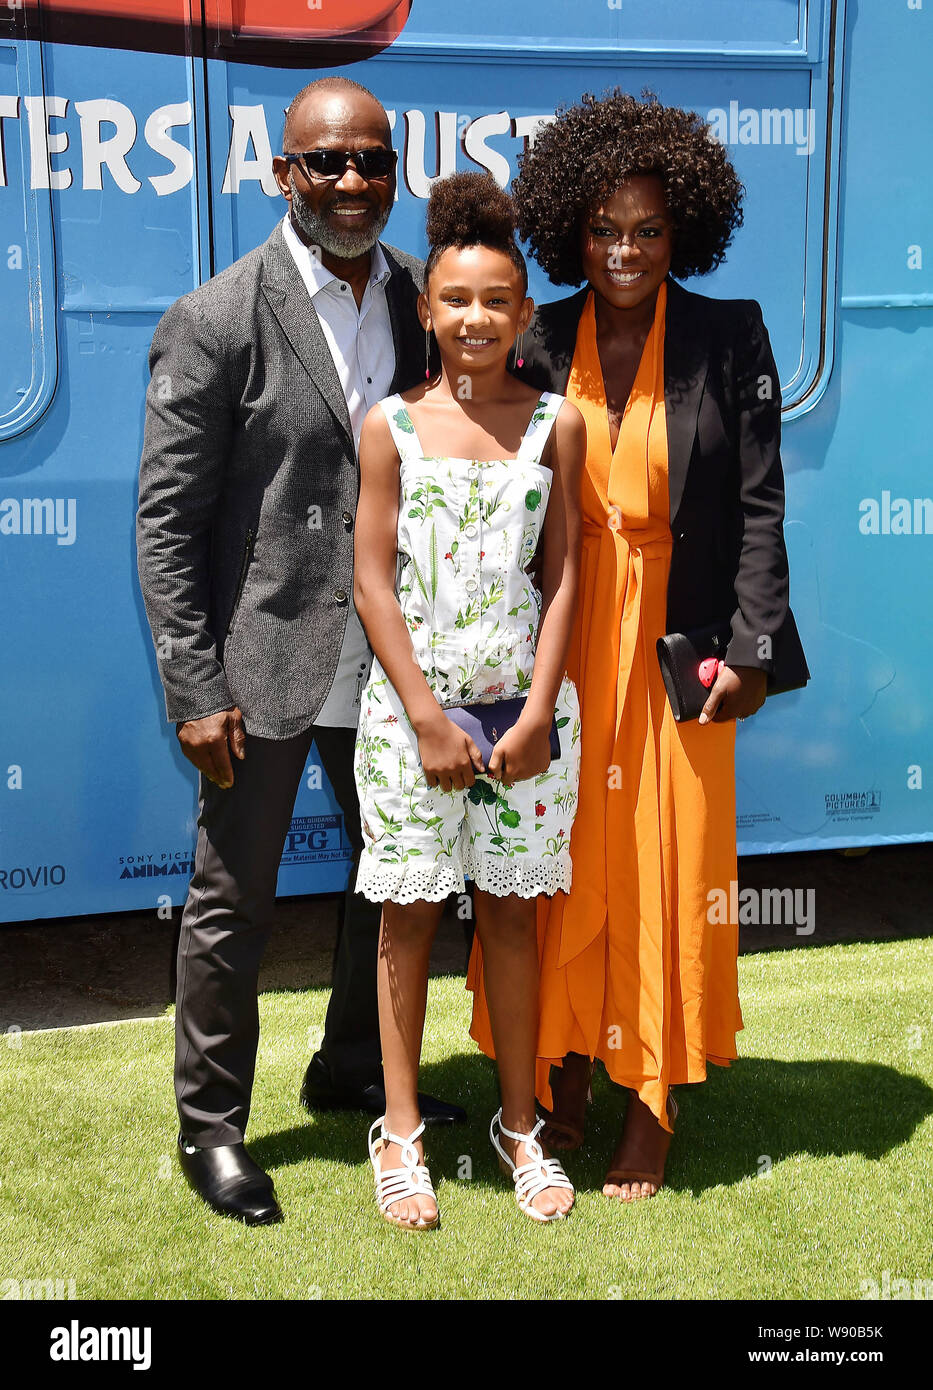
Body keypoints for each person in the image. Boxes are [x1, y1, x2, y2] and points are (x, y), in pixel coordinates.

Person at [467, 90, 809, 1200]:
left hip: (682, 647)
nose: (624, 248)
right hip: (558, 637)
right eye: (605, 227)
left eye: (649, 228)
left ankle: (651, 1095)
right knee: (561, 862)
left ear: (685, 231)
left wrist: (752, 650)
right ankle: (563, 1070)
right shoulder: (537, 336)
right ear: (573, 227)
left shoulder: (728, 333)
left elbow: (760, 504)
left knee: (672, 864)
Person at [136, 76, 463, 1228]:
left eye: (373, 161)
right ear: (284, 175)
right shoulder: (218, 317)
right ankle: (212, 1130)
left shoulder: (428, 299)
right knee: (234, 903)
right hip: (262, 662)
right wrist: (195, 683)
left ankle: (351, 1069)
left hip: (391, 661)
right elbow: (168, 520)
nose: (354, 182)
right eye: (327, 163)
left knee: (397, 879)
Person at [352, 171, 586, 1229]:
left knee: (512, 921)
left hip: (524, 723)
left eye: (497, 300)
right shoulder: (387, 427)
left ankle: (518, 1126)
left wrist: (536, 711)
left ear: (525, 312)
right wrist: (427, 715)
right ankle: (400, 1132)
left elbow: (568, 570)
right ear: (425, 308)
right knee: (405, 921)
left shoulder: (557, 425)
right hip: (416, 723)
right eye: (456, 299)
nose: (476, 318)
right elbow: (369, 578)